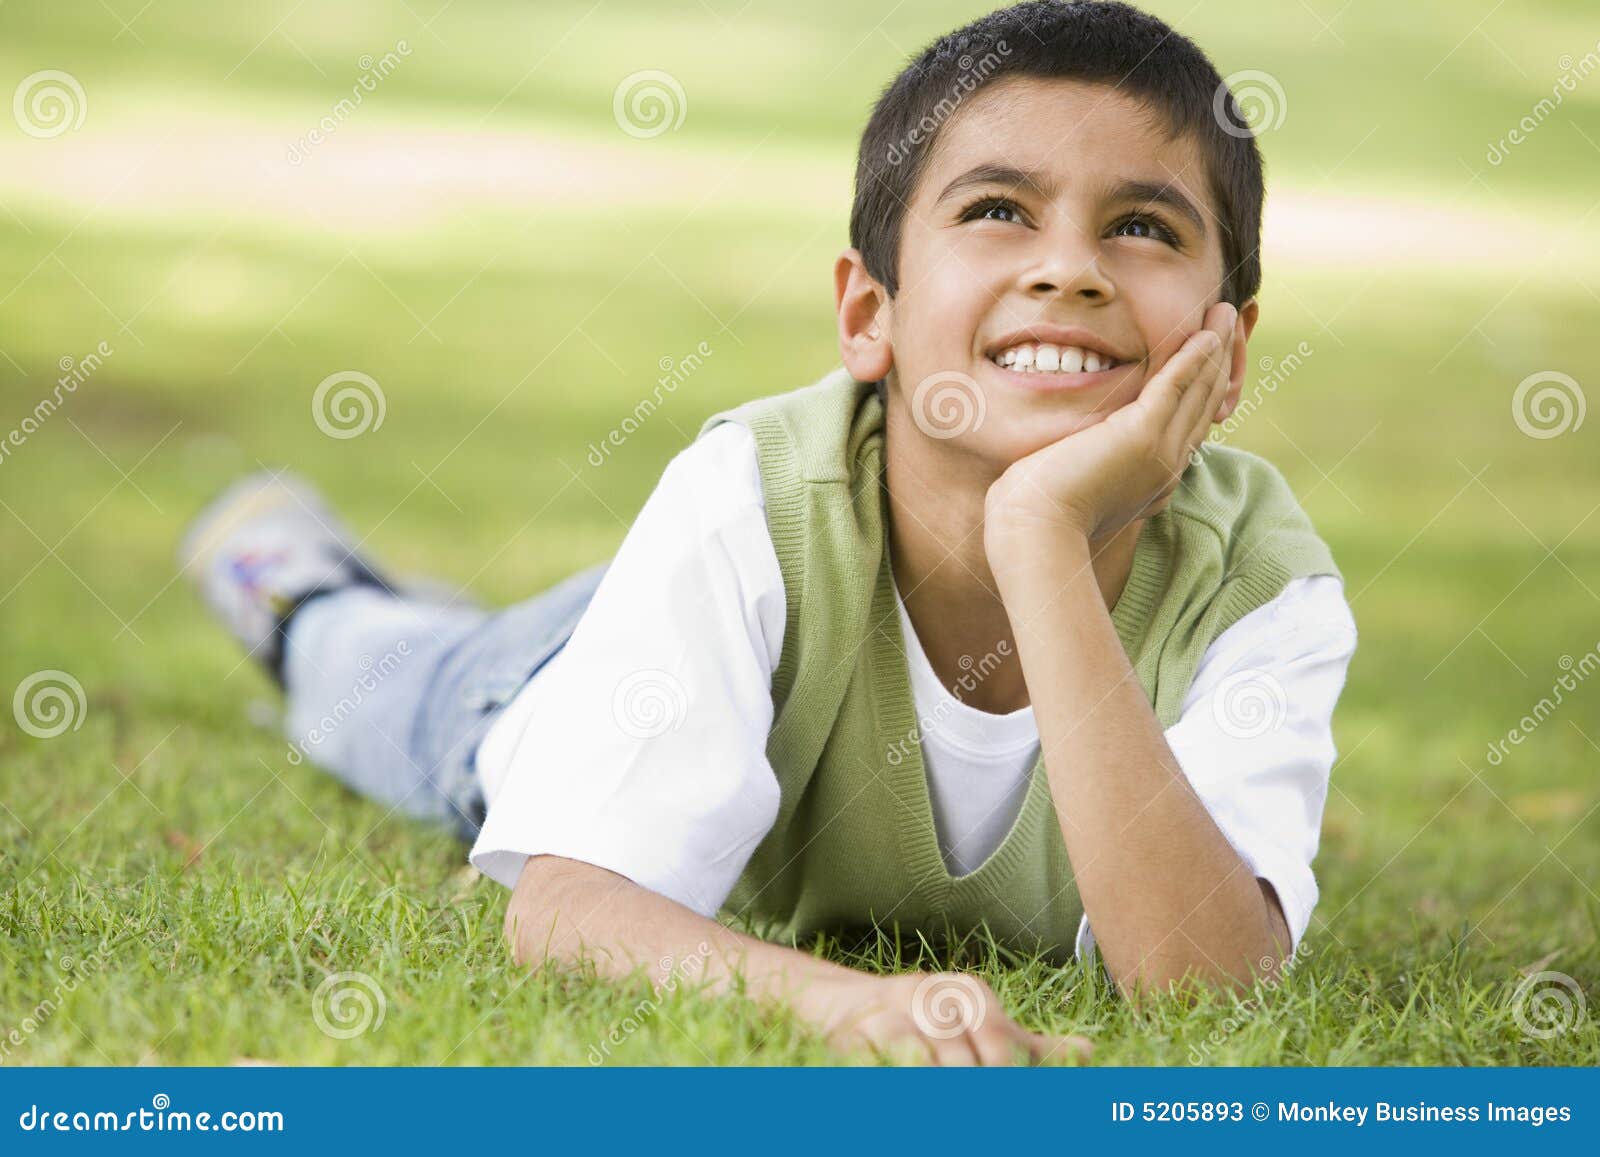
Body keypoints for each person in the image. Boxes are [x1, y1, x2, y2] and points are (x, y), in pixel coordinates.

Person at [179, 0, 1358, 1066]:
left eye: (1143, 226)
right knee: (379, 676)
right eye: (997, 210)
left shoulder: (1260, 584)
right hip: (559, 674)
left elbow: (1207, 988)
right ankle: (298, 584)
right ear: (867, 313)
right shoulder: (747, 494)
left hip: (720, 630)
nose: (1070, 269)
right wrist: (843, 1006)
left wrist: (1040, 533)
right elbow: (567, 905)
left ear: (1229, 347)